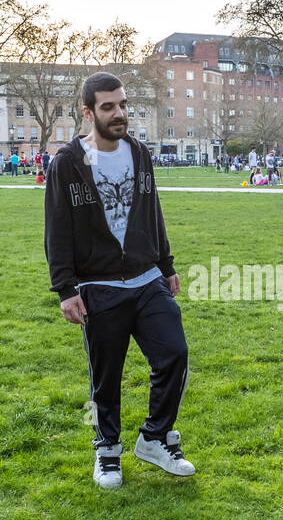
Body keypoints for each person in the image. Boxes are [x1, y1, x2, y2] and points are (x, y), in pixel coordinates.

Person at [44, 72, 193, 490]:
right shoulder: (67, 163)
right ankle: (107, 449)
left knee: (174, 354)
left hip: (147, 279)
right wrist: (66, 289)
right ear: (89, 112)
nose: (119, 113)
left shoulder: (140, 153)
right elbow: (57, 228)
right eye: (108, 107)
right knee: (105, 376)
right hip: (98, 285)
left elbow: (153, 211)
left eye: (123, 105)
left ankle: (155, 437)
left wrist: (166, 264)